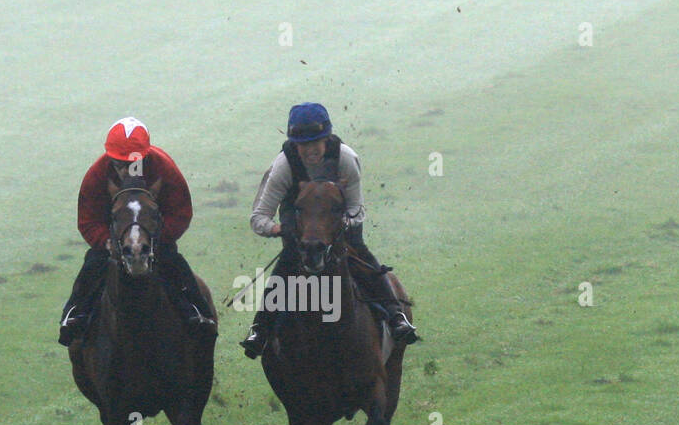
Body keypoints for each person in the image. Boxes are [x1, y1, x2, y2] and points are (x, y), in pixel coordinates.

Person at [240, 102, 419, 358]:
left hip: (338, 223)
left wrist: (336, 228)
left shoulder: (346, 158)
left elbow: (357, 209)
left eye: (315, 143)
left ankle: (396, 316)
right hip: (299, 226)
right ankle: (260, 329)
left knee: (362, 257)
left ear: (327, 139)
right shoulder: (283, 166)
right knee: (287, 266)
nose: (309, 150)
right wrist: (280, 228)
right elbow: (258, 218)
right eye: (303, 145)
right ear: (294, 144)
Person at [58, 117, 217, 346]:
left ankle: (198, 313)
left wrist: (155, 239)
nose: (125, 168)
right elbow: (88, 221)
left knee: (175, 265)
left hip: (155, 239)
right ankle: (73, 315)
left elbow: (180, 213)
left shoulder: (164, 168)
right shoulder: (96, 174)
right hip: (112, 242)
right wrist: (106, 242)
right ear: (109, 156)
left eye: (131, 161)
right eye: (118, 162)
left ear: (145, 156)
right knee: (92, 267)